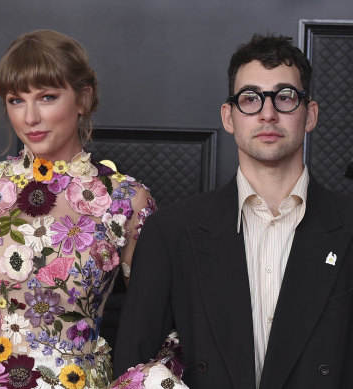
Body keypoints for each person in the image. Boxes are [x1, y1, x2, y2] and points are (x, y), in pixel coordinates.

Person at [114, 33, 353, 388]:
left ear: (310, 114)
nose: (268, 113)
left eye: (285, 97)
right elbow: (133, 369)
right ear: (229, 116)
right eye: (250, 99)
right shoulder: (173, 231)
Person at [0, 29, 181, 388]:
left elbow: (162, 320)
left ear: (83, 99)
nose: (30, 117)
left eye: (47, 97)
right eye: (16, 100)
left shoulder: (125, 200)